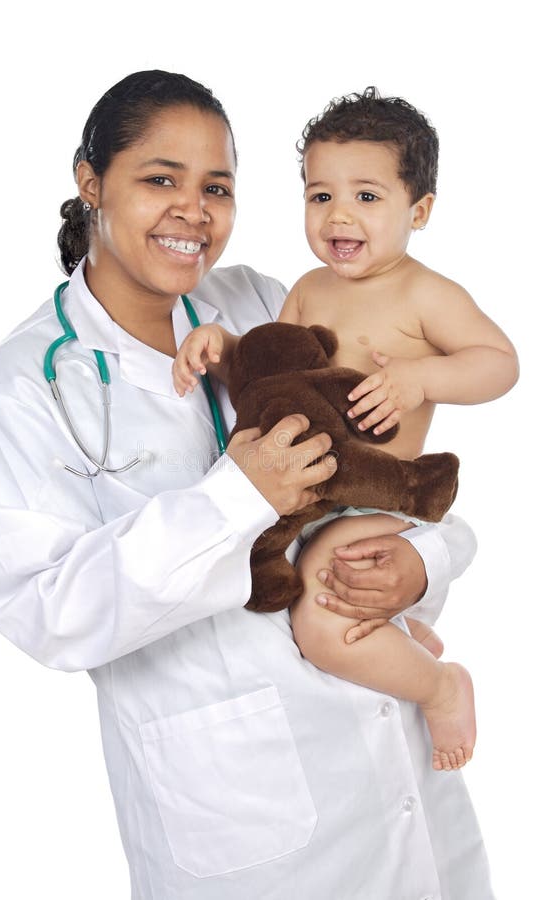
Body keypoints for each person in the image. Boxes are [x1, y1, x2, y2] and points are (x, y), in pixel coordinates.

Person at [0, 72, 493, 900]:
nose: (192, 210)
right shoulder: (20, 391)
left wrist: (426, 564)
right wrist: (240, 497)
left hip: (409, 771)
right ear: (90, 182)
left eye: (217, 187)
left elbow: (386, 474)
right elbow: (49, 612)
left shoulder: (266, 303)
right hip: (248, 828)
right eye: (159, 179)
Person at [172, 87, 519, 773]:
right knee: (286, 596)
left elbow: (500, 364)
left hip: (373, 497)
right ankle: (405, 639)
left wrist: (421, 378)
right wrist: (221, 346)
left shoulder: (425, 294)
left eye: (367, 196)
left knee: (322, 623)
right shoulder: (307, 287)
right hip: (304, 497)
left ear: (418, 210)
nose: (339, 216)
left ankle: (440, 685)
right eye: (319, 195)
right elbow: (277, 373)